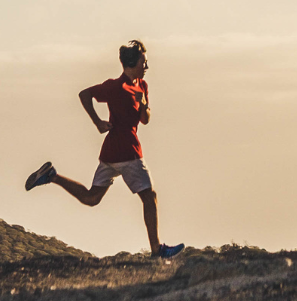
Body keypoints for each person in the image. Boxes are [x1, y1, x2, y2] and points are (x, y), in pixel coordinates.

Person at [25, 40, 184, 259]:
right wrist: (97, 122)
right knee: (150, 196)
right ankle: (157, 250)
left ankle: (52, 176)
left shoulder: (142, 86)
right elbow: (84, 94)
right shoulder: (115, 86)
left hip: (111, 153)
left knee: (92, 198)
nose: (146, 67)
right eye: (143, 62)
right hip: (128, 151)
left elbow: (145, 120)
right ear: (131, 63)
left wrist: (144, 103)